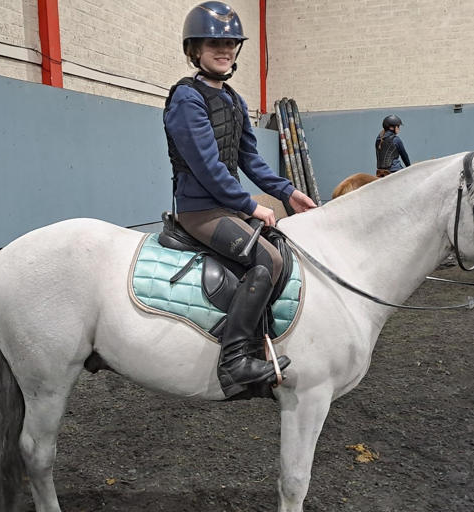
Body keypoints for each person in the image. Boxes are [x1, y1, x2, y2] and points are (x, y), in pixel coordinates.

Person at [163, 1, 317, 397]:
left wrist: (288, 191)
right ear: (194, 49)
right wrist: (252, 205)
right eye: (214, 42)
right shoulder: (186, 98)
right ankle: (234, 362)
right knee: (268, 259)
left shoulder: (232, 99)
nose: (225, 49)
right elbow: (208, 168)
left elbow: (250, 159)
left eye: (231, 42)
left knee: (284, 244)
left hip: (225, 206)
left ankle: (264, 338)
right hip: (200, 210)